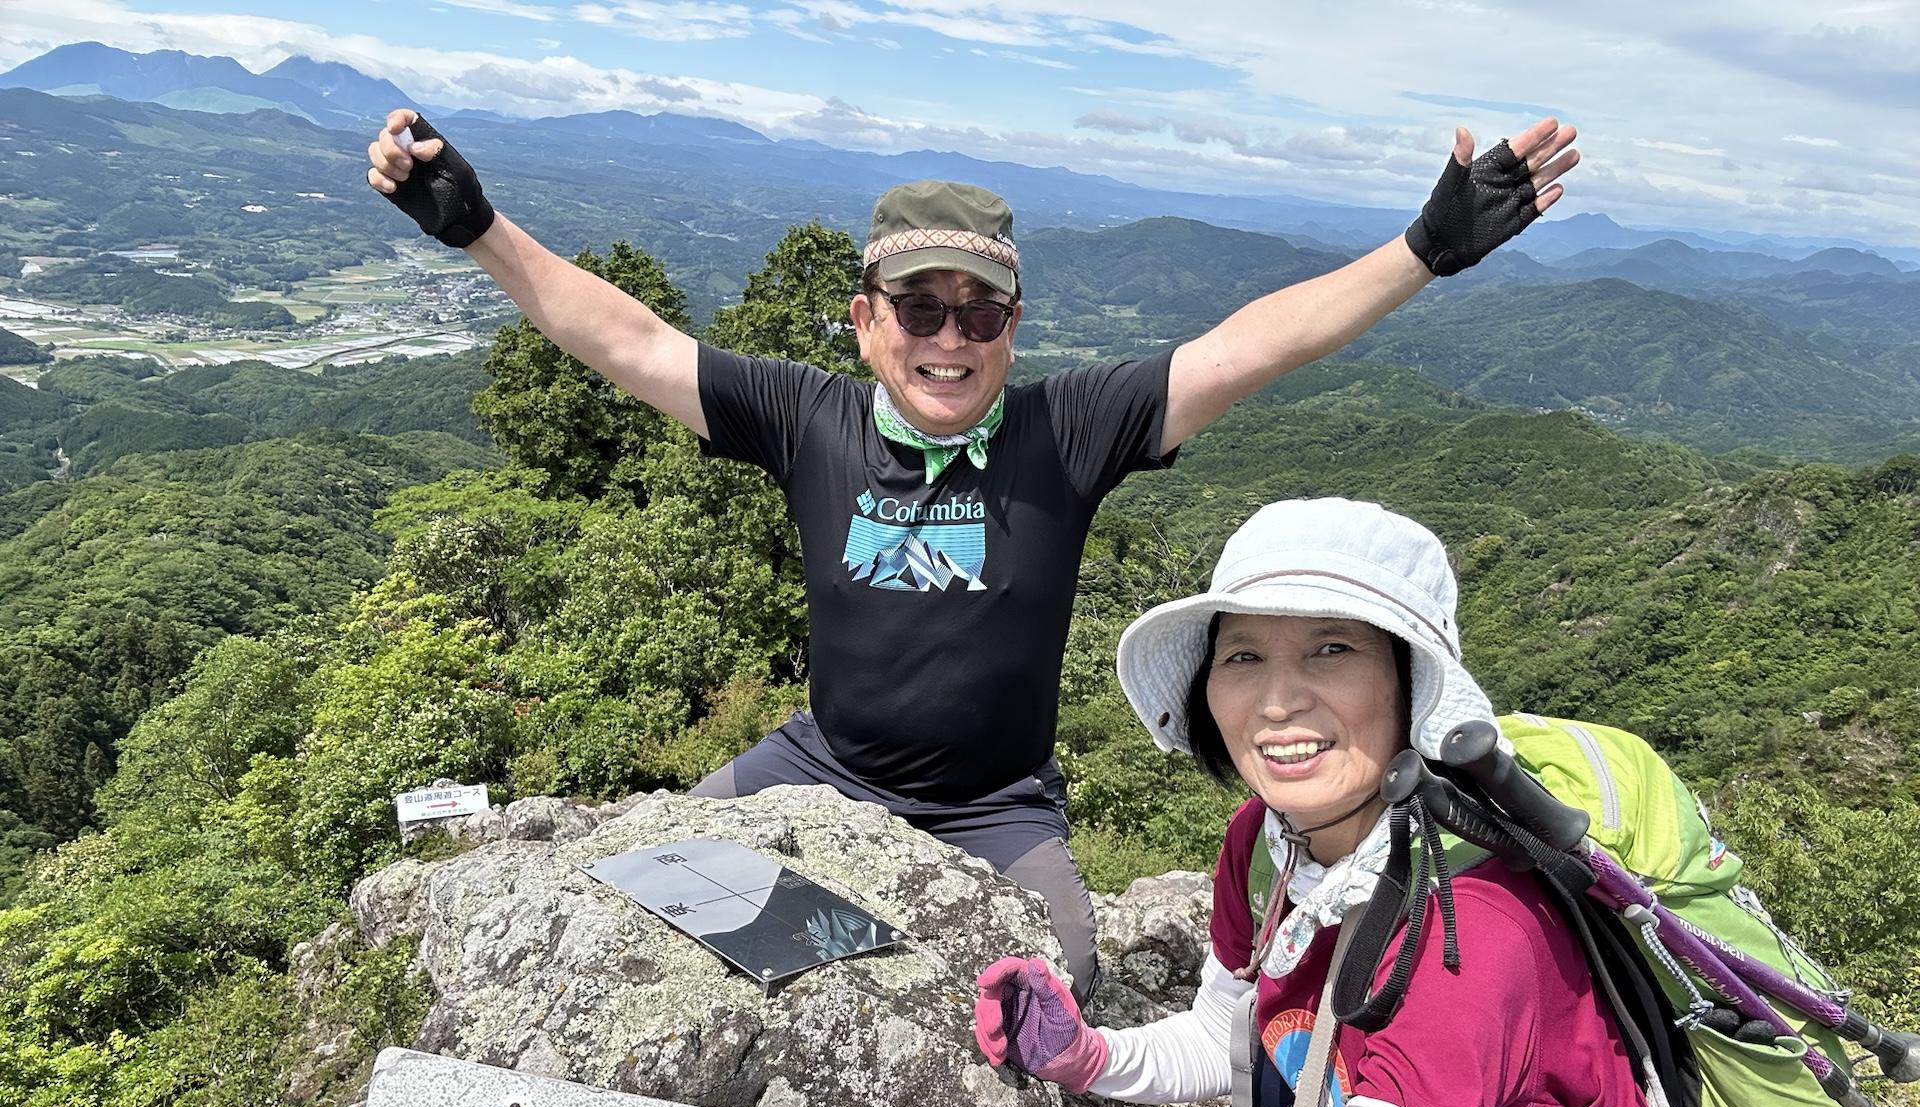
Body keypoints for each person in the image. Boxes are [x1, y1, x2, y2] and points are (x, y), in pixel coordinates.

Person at [364, 111, 1578, 1002]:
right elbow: (625, 339)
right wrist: (478, 229)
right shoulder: (806, 418)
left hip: (996, 806)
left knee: (1059, 987)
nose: (949, 337)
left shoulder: (1067, 431)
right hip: (817, 761)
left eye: (980, 310)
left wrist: (1424, 248)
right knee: (648, 890)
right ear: (866, 320)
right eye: (919, 307)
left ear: (1012, 326)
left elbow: (1250, 346)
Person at [972, 497, 1724, 1107]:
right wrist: (1088, 1057)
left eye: (1332, 649)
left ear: (1411, 685)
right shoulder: (1269, 844)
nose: (1278, 701)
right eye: (1244, 656)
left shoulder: (1471, 929)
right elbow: (1230, 1035)